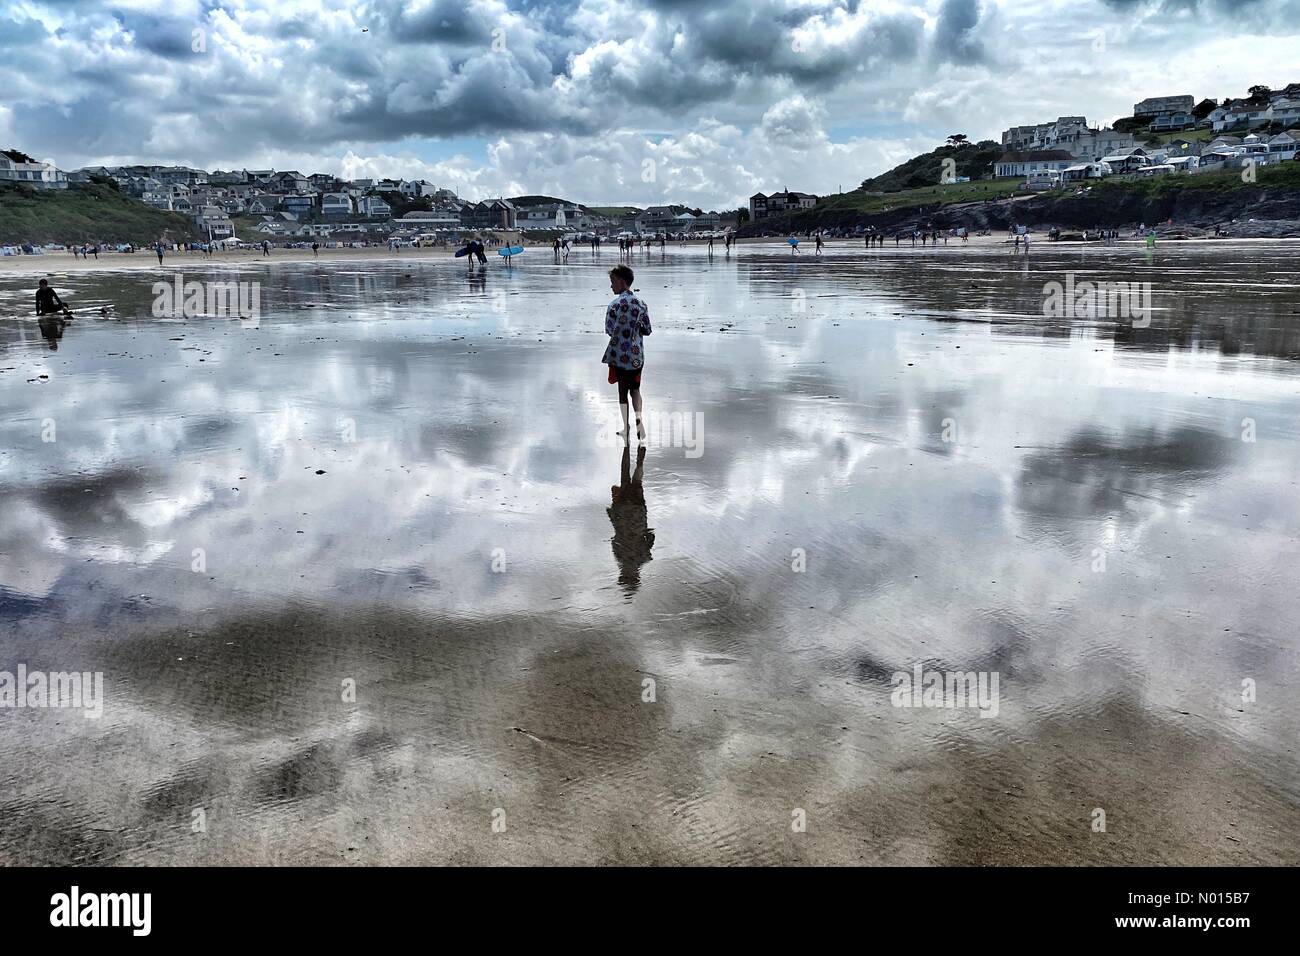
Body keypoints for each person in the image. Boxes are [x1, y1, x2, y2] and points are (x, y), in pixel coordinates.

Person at [602, 264, 651, 442]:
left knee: (623, 392)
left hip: (619, 357)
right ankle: (639, 419)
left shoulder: (614, 305)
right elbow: (647, 329)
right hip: (637, 356)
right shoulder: (641, 304)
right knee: (636, 390)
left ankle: (626, 427)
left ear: (622, 282)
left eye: (613, 282)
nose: (611, 286)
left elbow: (608, 330)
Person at [607, 444, 654, 595]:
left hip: (638, 514)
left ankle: (640, 463)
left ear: (637, 575)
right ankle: (627, 448)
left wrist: (644, 530)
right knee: (624, 476)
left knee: (637, 483)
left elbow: (651, 536)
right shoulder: (619, 556)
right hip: (622, 511)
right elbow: (614, 540)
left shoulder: (644, 557)